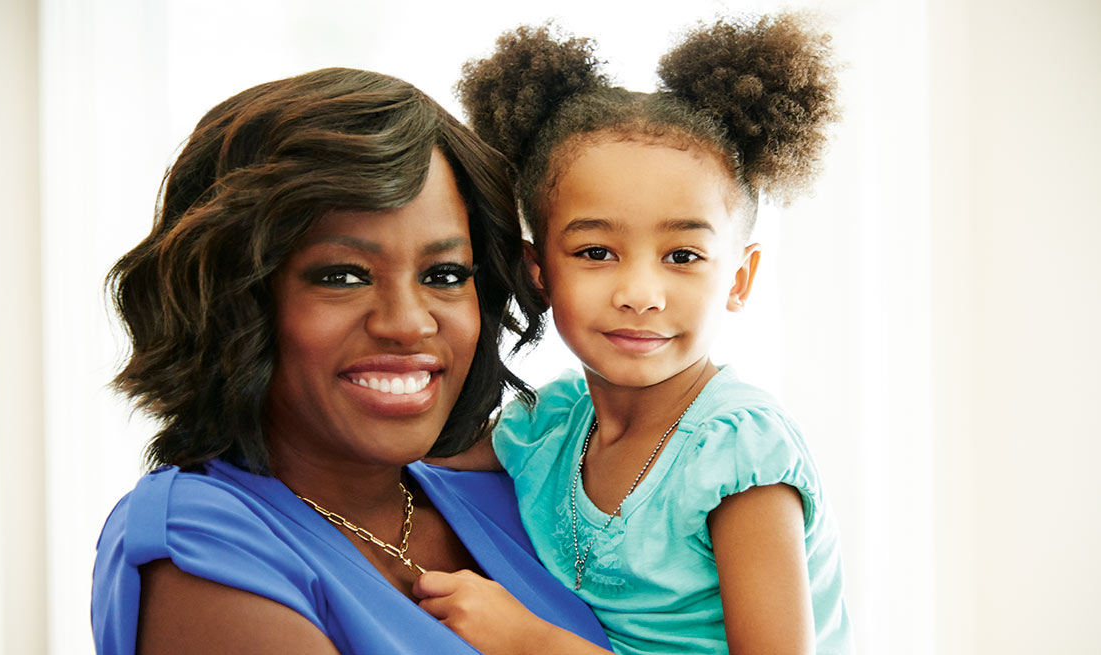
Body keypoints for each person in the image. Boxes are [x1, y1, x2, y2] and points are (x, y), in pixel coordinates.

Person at [91, 67, 613, 655]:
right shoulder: (201, 545)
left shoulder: (521, 492)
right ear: (231, 301)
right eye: (342, 276)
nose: (409, 323)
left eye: (444, 275)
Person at [421, 14, 853, 654]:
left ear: (739, 278)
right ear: (538, 272)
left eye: (683, 256)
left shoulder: (737, 455)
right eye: (596, 253)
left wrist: (528, 641)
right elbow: (394, 455)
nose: (641, 294)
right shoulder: (550, 425)